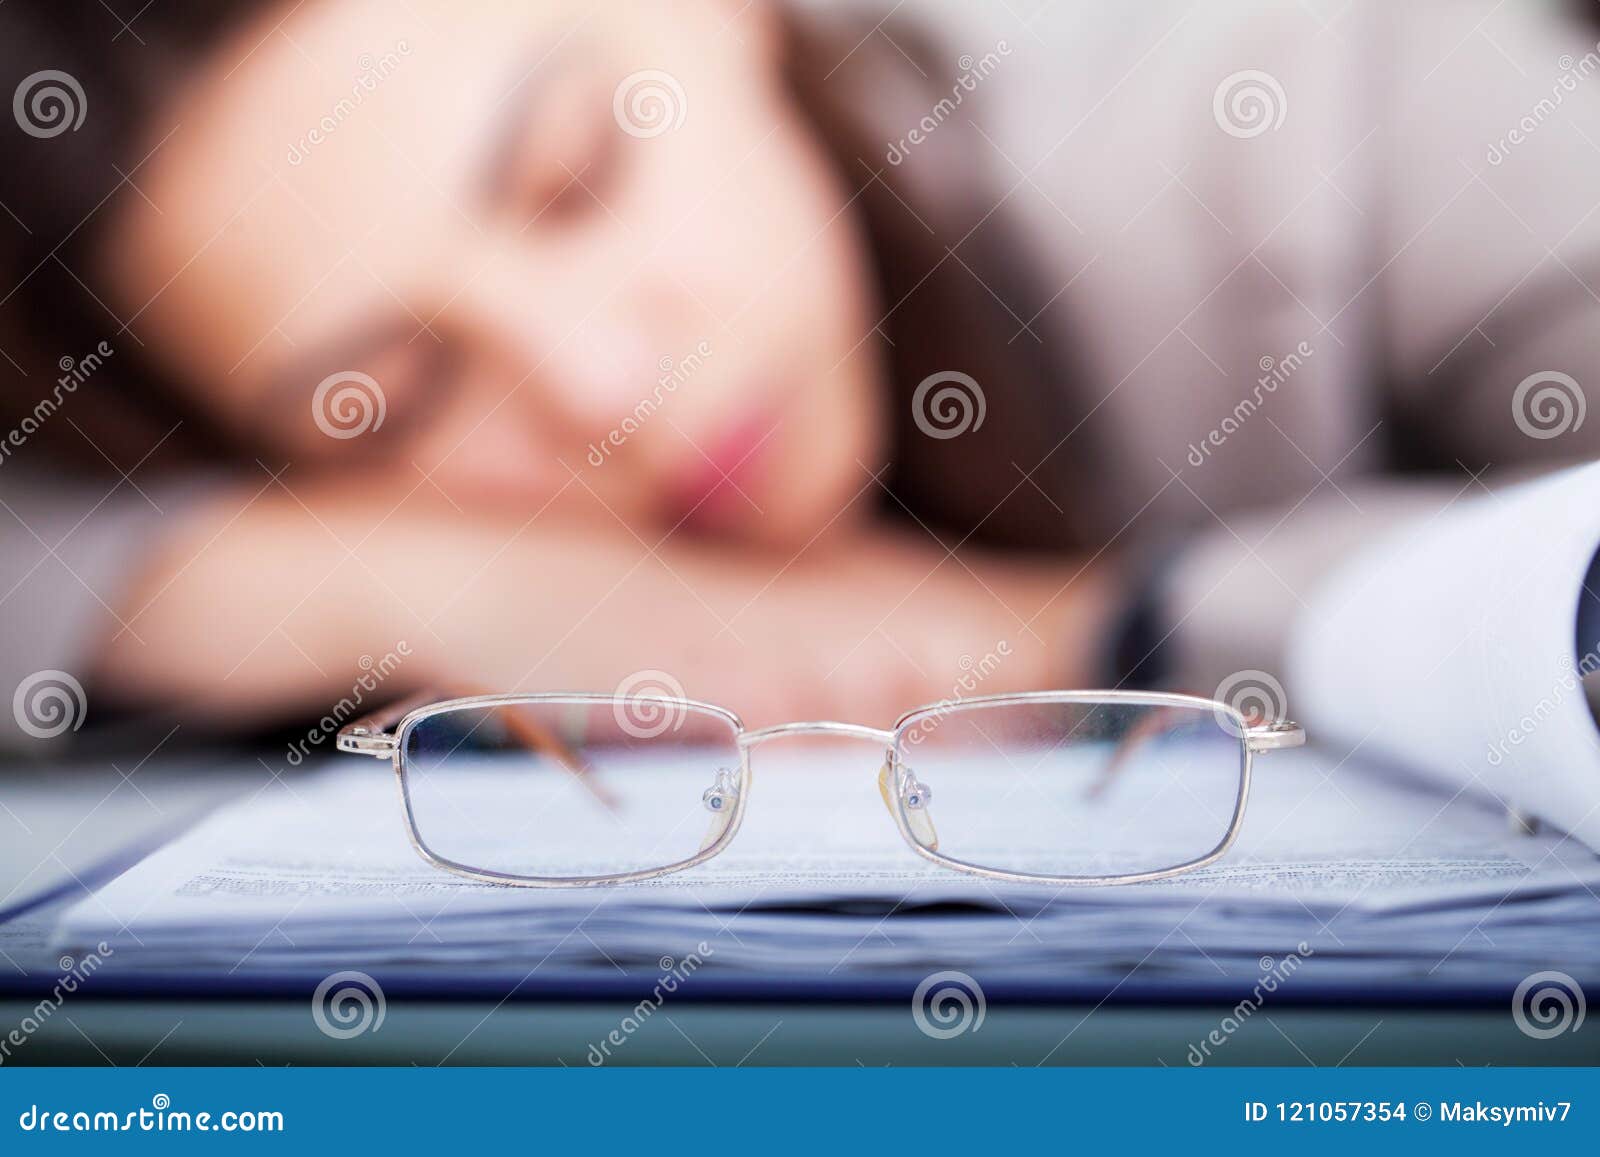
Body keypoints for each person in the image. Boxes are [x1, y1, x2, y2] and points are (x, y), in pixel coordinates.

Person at [1, 0, 1597, 750]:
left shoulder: (1331, 105)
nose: (601, 376)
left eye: (576, 173)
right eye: (393, 397)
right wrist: (377, 584)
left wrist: (1057, 642)